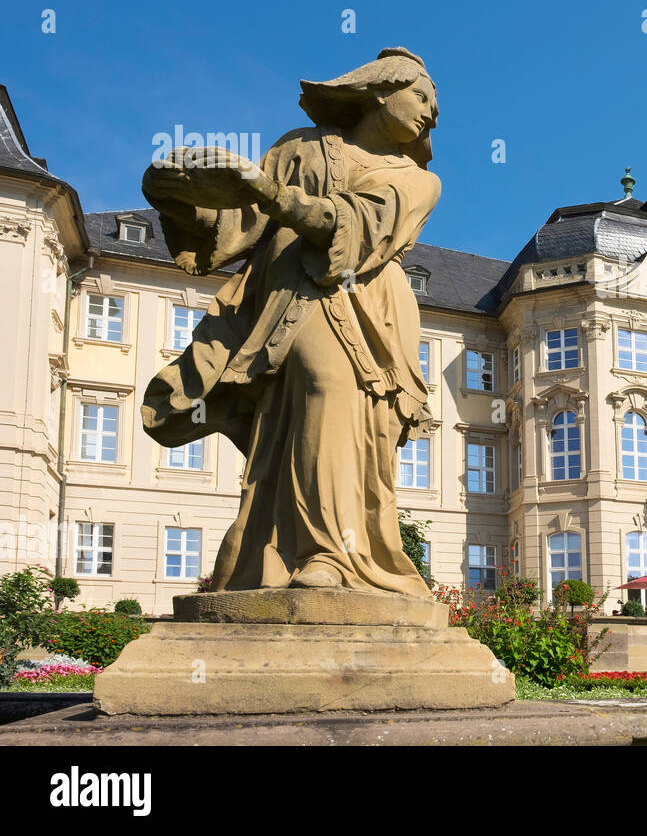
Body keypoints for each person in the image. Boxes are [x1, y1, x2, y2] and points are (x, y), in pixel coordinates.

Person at [141, 48, 440, 596]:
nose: (431, 113)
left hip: (366, 298)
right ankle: (279, 557)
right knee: (296, 411)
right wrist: (183, 193)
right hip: (284, 293)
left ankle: (333, 555)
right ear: (379, 91)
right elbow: (234, 227)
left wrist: (269, 192)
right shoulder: (300, 146)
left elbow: (357, 228)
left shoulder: (418, 180)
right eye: (422, 96)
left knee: (345, 409)